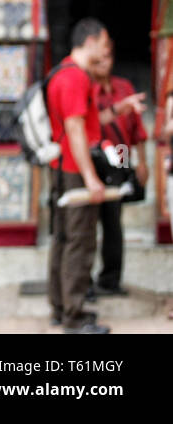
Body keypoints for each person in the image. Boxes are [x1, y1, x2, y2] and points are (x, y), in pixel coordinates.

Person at [46, 18, 111, 334]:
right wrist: (90, 177)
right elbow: (75, 128)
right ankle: (73, 317)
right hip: (73, 170)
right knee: (79, 243)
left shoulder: (60, 72)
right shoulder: (75, 77)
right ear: (91, 41)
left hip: (61, 169)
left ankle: (60, 308)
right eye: (104, 43)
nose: (105, 50)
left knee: (62, 240)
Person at [90, 35, 146, 297]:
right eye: (99, 58)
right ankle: (82, 283)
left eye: (108, 57)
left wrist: (141, 162)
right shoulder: (86, 89)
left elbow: (136, 130)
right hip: (90, 160)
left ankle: (110, 279)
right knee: (86, 224)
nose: (104, 63)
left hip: (120, 157)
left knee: (114, 222)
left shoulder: (124, 87)